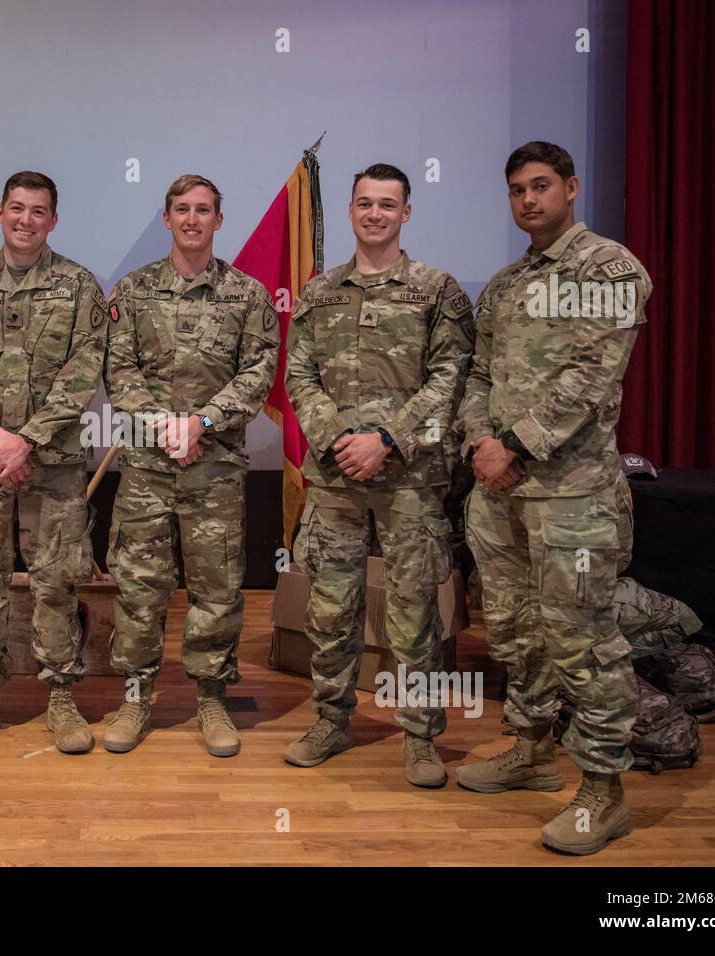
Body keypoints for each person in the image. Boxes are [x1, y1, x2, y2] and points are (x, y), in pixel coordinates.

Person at [456, 141, 651, 855]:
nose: (528, 200)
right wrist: (482, 443)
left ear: (571, 187)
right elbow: (476, 374)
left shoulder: (608, 268)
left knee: (582, 639)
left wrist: (517, 444)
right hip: (499, 491)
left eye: (540, 186)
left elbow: (594, 372)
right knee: (511, 627)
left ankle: (603, 792)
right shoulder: (505, 285)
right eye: (516, 190)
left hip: (572, 496)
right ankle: (532, 751)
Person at [284, 163, 474, 786]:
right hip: (336, 478)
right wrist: (338, 439)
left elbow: (451, 377)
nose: (374, 214)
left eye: (387, 205)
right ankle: (331, 720)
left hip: (411, 481)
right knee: (330, 608)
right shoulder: (320, 292)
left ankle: (420, 736)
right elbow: (299, 375)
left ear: (406, 213)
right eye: (364, 203)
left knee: (414, 611)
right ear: (350, 210)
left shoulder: (437, 289)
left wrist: (388, 439)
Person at [102, 174, 278, 757]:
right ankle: (135, 698)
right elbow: (119, 372)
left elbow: (258, 374)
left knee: (217, 588)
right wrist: (166, 427)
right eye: (183, 209)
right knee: (139, 586)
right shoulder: (133, 291)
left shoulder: (248, 296)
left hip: (216, 468)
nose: (193, 219)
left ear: (219, 220)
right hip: (148, 471)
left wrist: (200, 423)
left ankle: (211, 697)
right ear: (167, 217)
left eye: (204, 210)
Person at [0, 171, 109, 755]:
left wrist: (27, 439)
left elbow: (85, 370)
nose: (26, 220)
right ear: (0, 212)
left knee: (56, 581)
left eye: (39, 211)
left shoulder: (79, 286)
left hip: (53, 464)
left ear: (53, 220)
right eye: (17, 208)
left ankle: (60, 697)